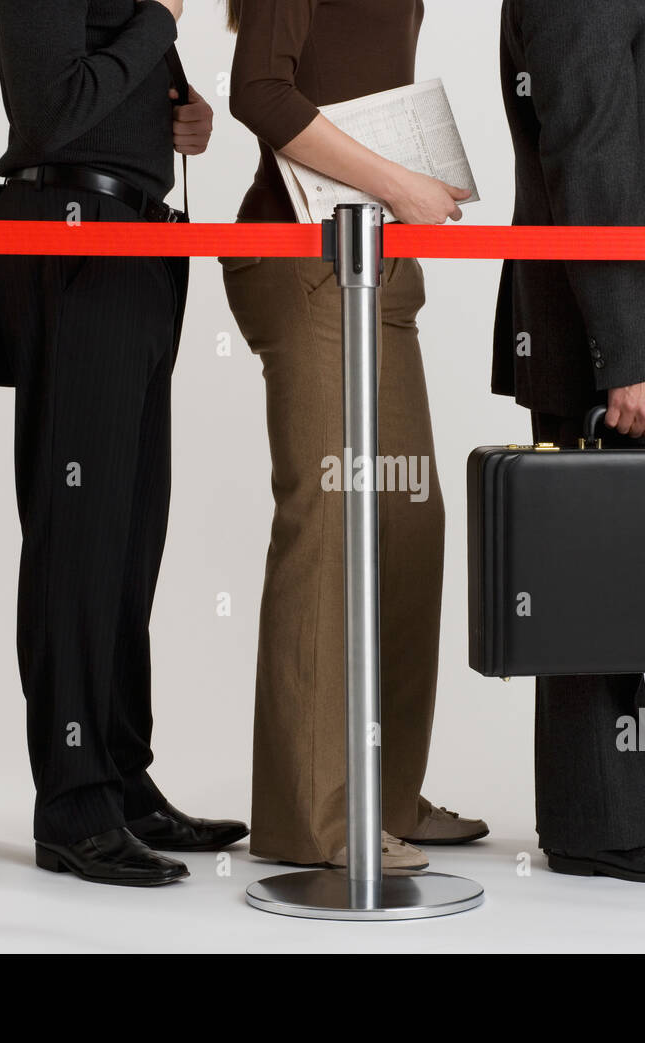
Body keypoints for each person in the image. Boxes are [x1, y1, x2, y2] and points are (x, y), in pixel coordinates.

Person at [0, 0, 246, 886]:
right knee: (79, 535)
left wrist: (180, 112)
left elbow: (107, 80)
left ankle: (123, 779)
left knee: (132, 531)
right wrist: (162, 22)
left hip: (134, 235)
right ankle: (73, 802)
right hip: (73, 233)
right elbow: (53, 107)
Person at [221, 0, 487, 870]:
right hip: (302, 253)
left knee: (410, 519)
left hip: (377, 260)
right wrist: (398, 185)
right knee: (330, 521)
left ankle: (388, 797)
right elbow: (259, 91)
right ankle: (312, 817)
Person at [493, 0, 645, 883]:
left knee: (605, 574)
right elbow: (588, 154)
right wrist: (628, 349)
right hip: (601, 332)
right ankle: (605, 824)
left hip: (614, 323)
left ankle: (616, 808)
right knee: (591, 577)